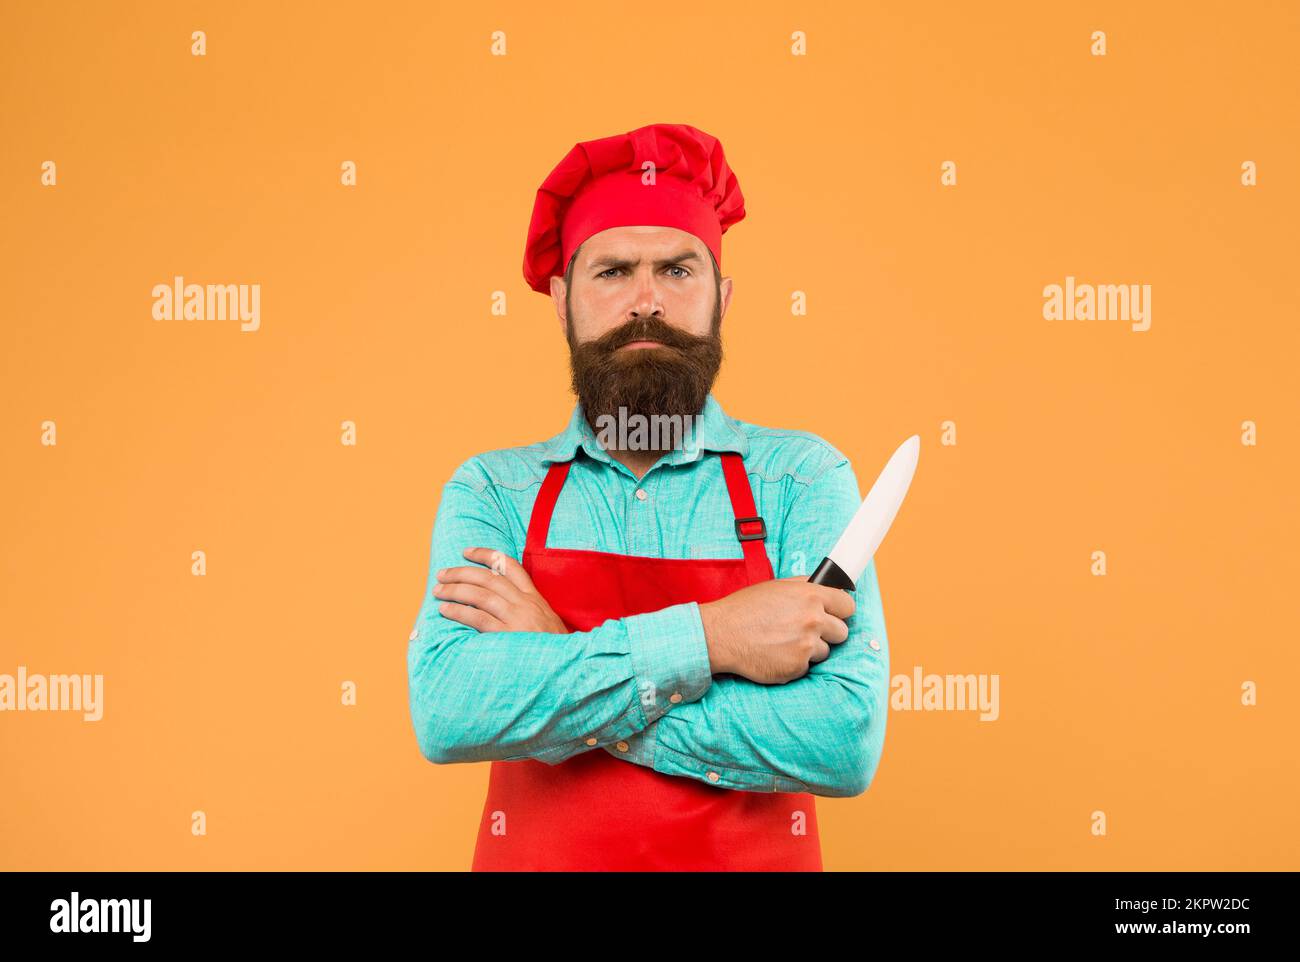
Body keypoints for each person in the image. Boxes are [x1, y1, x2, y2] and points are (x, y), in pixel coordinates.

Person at [406, 123, 890, 871]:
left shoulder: (802, 480)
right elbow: (449, 709)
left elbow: (842, 739)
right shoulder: (494, 492)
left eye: (676, 270)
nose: (645, 303)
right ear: (561, 301)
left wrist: (562, 661)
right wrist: (715, 638)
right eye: (612, 272)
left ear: (720, 298)